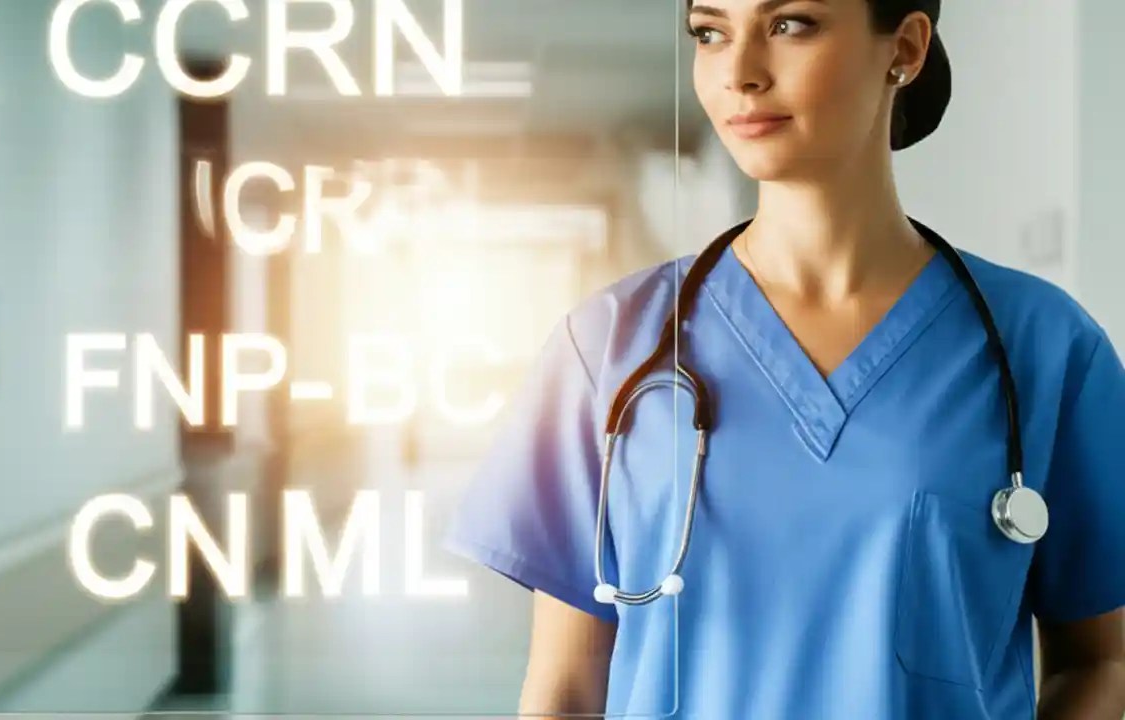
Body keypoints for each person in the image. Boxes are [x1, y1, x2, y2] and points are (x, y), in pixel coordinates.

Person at [441, 0, 1125, 717]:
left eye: (790, 25)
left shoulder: (1044, 347)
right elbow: (566, 689)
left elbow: (1101, 660)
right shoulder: (610, 346)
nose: (739, 73)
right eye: (710, 33)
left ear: (908, 48)